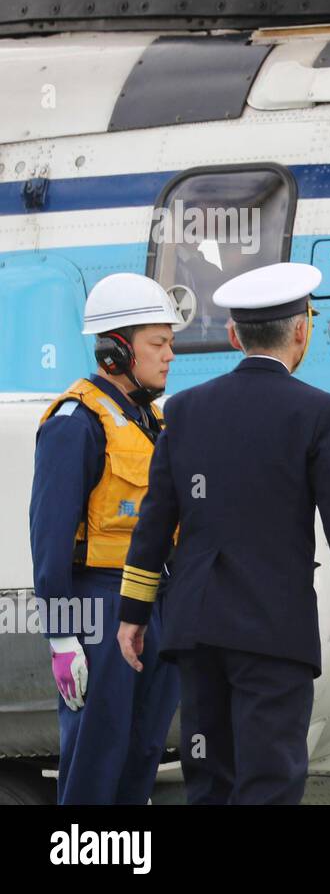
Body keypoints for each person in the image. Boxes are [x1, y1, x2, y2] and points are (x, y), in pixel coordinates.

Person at [116, 262, 330, 805]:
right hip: (272, 631)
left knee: (209, 781)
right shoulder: (317, 412)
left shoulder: (184, 410)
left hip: (196, 628)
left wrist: (133, 613)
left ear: (234, 335)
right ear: (302, 332)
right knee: (269, 781)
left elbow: (155, 520)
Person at [29, 273, 186, 804]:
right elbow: (49, 540)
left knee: (142, 756)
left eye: (171, 344)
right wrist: (61, 635)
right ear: (117, 351)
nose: (169, 356)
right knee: (96, 757)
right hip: (97, 606)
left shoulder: (153, 422)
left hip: (152, 603)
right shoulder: (76, 423)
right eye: (158, 344)